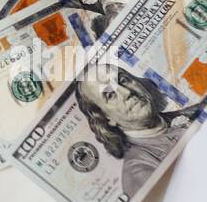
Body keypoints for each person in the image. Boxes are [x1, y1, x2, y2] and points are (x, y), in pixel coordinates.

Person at [74, 66, 200, 195]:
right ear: (107, 118)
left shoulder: (198, 111)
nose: (127, 92)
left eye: (123, 80)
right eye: (110, 95)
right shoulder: (139, 171)